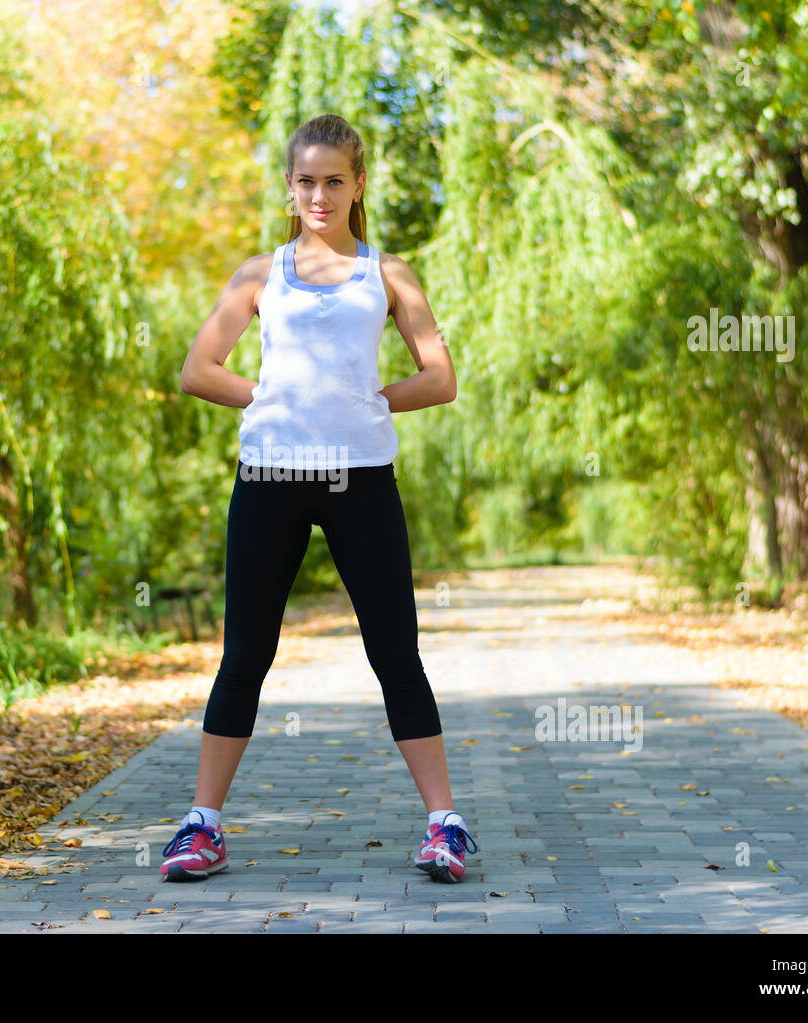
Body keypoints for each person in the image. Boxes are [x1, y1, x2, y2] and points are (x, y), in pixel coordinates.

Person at [165, 113, 477, 884]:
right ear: (288, 187)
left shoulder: (389, 273)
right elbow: (199, 369)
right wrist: (272, 395)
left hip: (361, 480)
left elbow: (439, 377)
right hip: (269, 477)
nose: (319, 194)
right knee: (246, 653)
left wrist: (368, 397)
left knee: (395, 652)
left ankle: (446, 824)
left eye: (334, 180)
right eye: (306, 180)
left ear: (358, 184)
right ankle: (202, 825)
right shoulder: (257, 274)